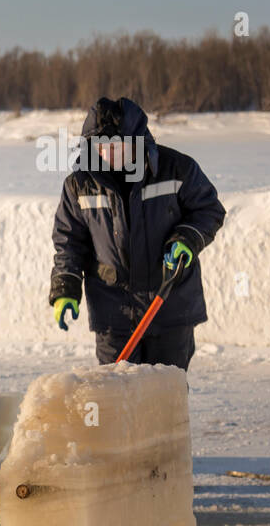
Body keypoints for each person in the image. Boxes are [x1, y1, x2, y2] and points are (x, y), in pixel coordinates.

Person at [49, 96, 225, 370]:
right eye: (101, 145)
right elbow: (69, 243)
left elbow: (209, 209)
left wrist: (187, 239)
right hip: (114, 315)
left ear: (137, 140)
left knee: (164, 398)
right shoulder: (81, 184)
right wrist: (65, 288)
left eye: (117, 144)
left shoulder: (176, 169)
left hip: (169, 305)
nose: (108, 152)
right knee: (116, 399)